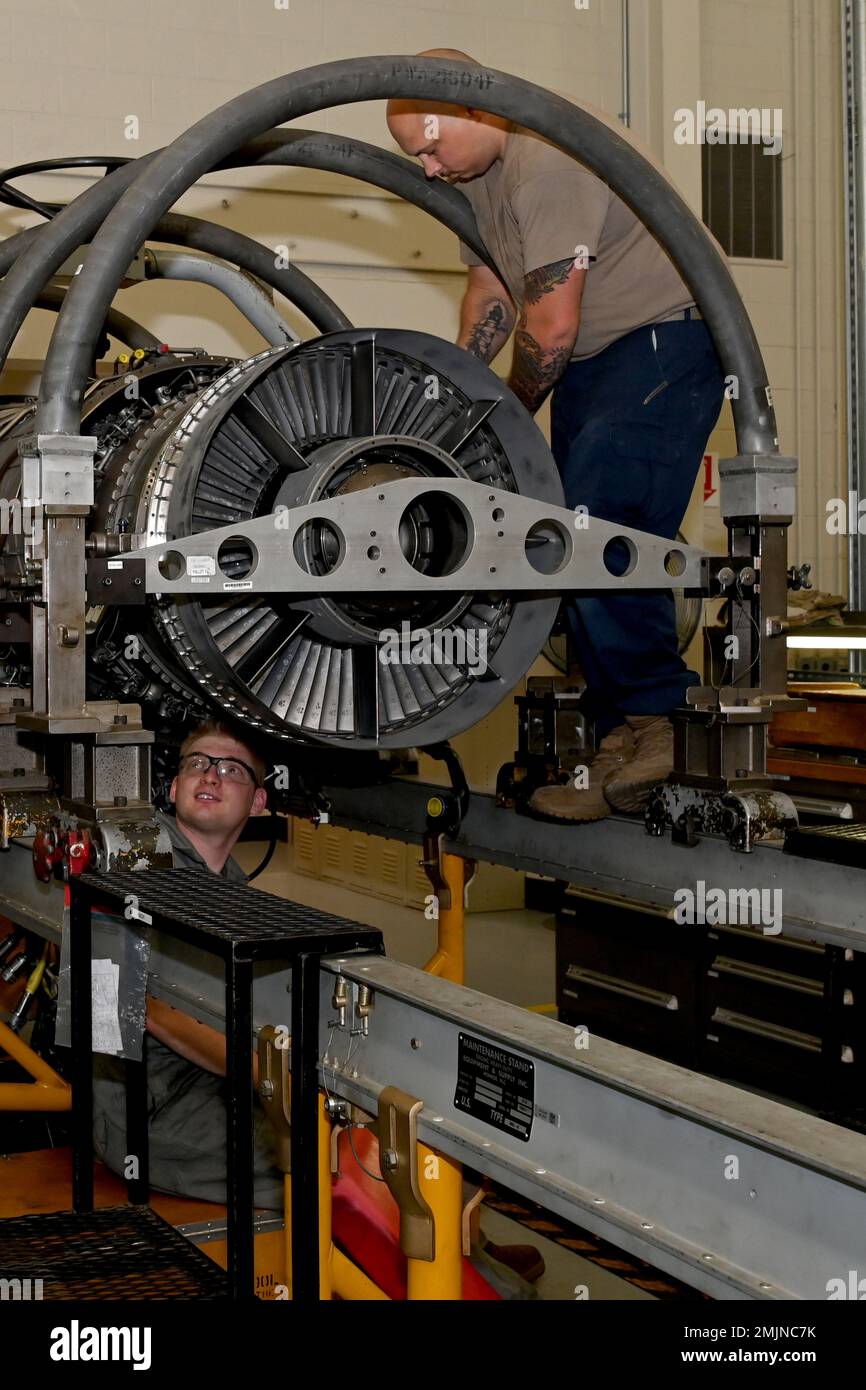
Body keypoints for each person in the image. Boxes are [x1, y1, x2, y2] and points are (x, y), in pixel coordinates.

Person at [387, 49, 726, 822]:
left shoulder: (549, 158)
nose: (429, 169)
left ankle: (665, 721)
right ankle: (619, 736)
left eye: (432, 147)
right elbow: (490, 295)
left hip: (662, 340)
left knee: (598, 523)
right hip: (598, 360)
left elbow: (551, 322)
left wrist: (496, 422)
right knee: (557, 532)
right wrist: (456, 417)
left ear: (475, 109)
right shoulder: (480, 182)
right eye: (416, 159)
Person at [91, 719, 283, 1208]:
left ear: (258, 802)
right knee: (322, 1163)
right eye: (197, 764)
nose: (211, 776)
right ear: (175, 787)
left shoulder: (231, 888)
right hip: (142, 1107)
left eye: (231, 769)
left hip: (205, 1086)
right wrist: (266, 1071)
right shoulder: (132, 861)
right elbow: (125, 1005)